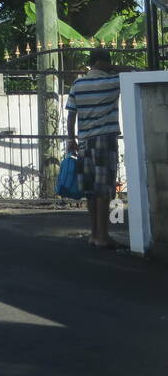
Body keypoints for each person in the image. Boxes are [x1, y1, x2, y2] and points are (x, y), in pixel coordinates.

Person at [65, 49, 123, 249]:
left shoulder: (78, 84)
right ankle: (103, 236)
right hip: (104, 141)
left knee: (90, 190)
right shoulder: (113, 81)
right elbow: (137, 73)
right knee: (104, 190)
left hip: (84, 142)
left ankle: (93, 234)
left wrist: (71, 138)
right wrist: (115, 68)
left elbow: (71, 115)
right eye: (109, 62)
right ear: (102, 62)